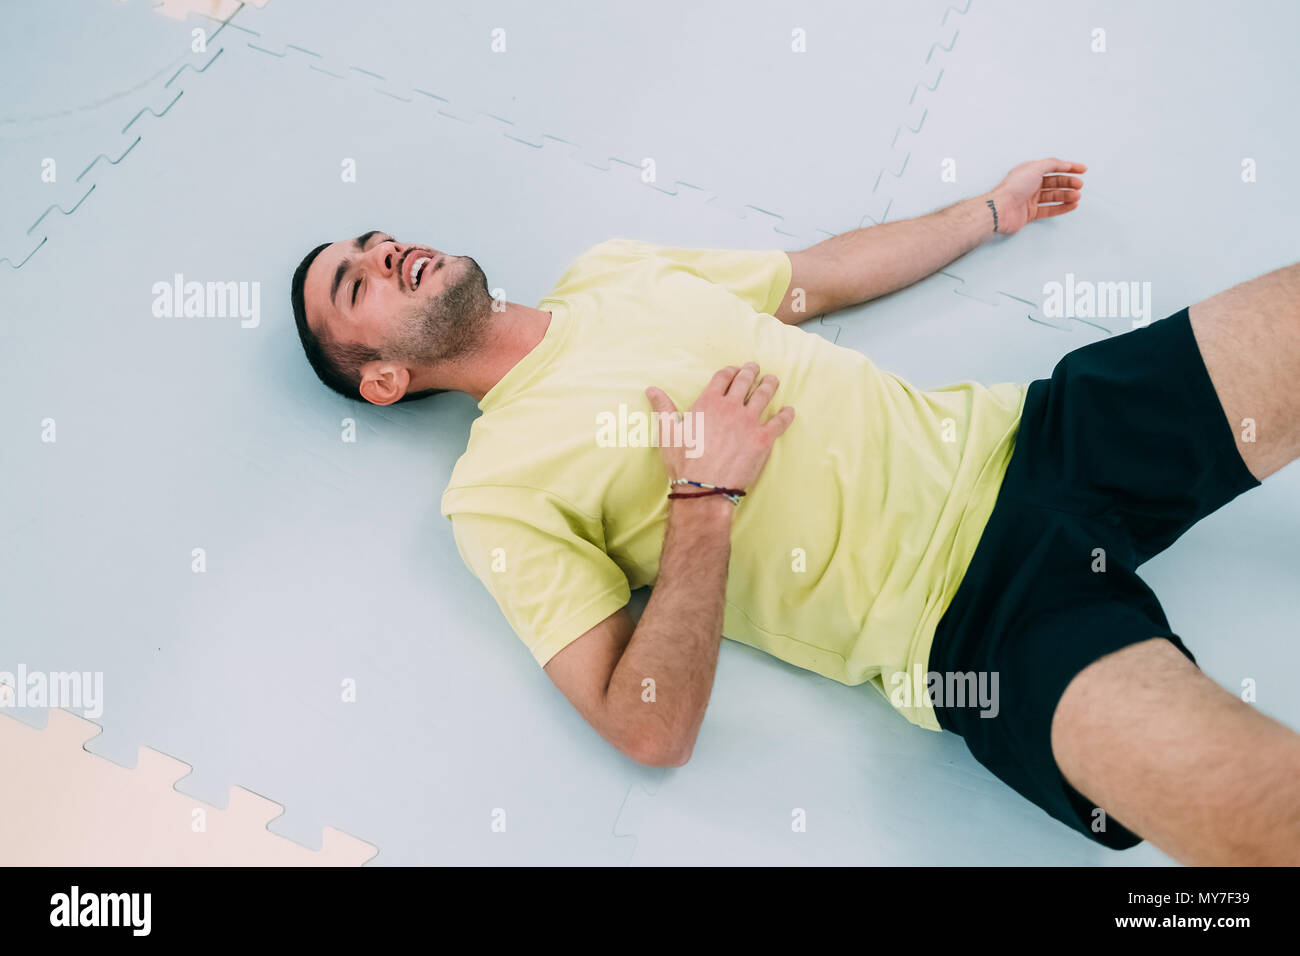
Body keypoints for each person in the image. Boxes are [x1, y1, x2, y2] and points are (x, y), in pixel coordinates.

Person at [290, 157, 1300, 864]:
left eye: (375, 239)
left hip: (1033, 437)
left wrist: (987, 211)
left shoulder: (612, 270)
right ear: (382, 379)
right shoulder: (494, 494)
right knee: (1270, 810)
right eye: (356, 279)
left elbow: (813, 279)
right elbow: (645, 728)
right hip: (978, 626)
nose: (386, 250)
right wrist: (702, 496)